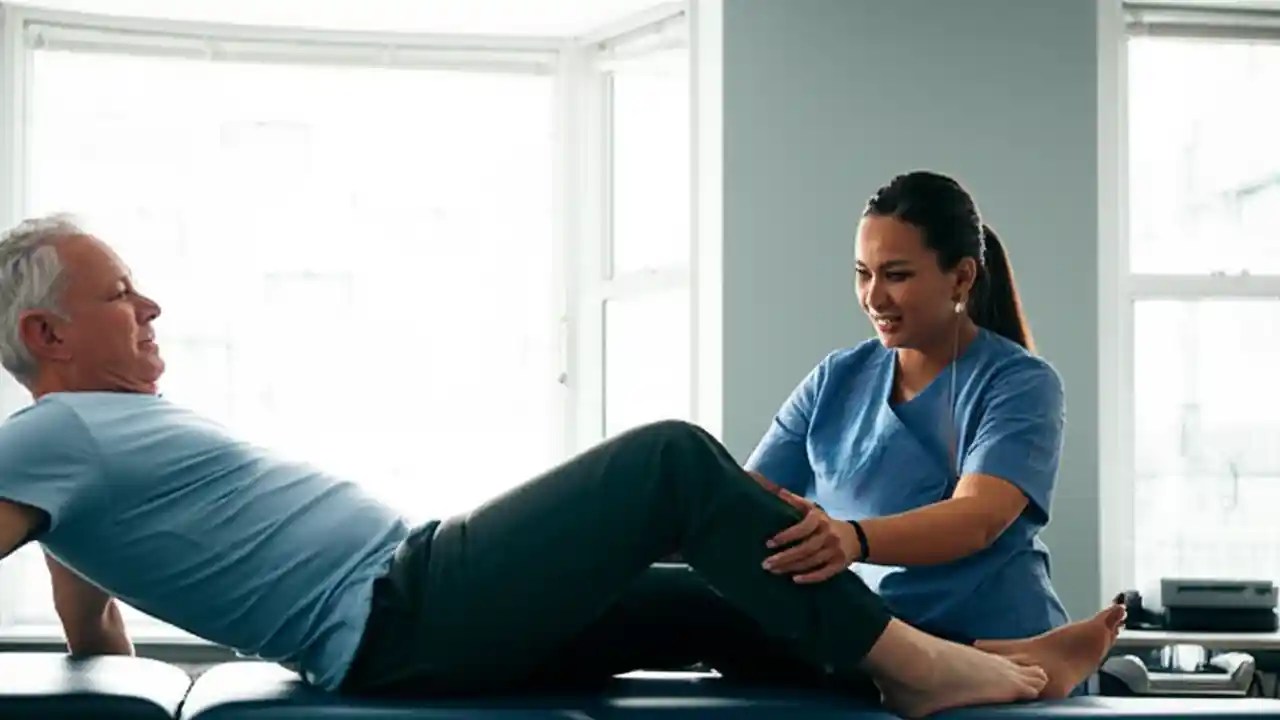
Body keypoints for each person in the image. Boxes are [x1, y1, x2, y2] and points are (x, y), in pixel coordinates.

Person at [0, 215, 1118, 718]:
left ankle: (991, 665)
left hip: (413, 609)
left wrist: (101, 662)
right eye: (117, 295)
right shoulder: (53, 437)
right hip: (400, 607)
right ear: (46, 337)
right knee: (668, 464)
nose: (149, 307)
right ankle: (932, 670)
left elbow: (94, 622)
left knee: (707, 609)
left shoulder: (84, 457)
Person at [745, 170, 1072, 651]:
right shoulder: (835, 379)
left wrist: (853, 539)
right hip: (878, 646)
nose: (874, 297)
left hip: (997, 649)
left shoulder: (1020, 383)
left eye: (896, 275)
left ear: (961, 276)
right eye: (863, 273)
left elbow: (977, 517)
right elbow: (747, 501)